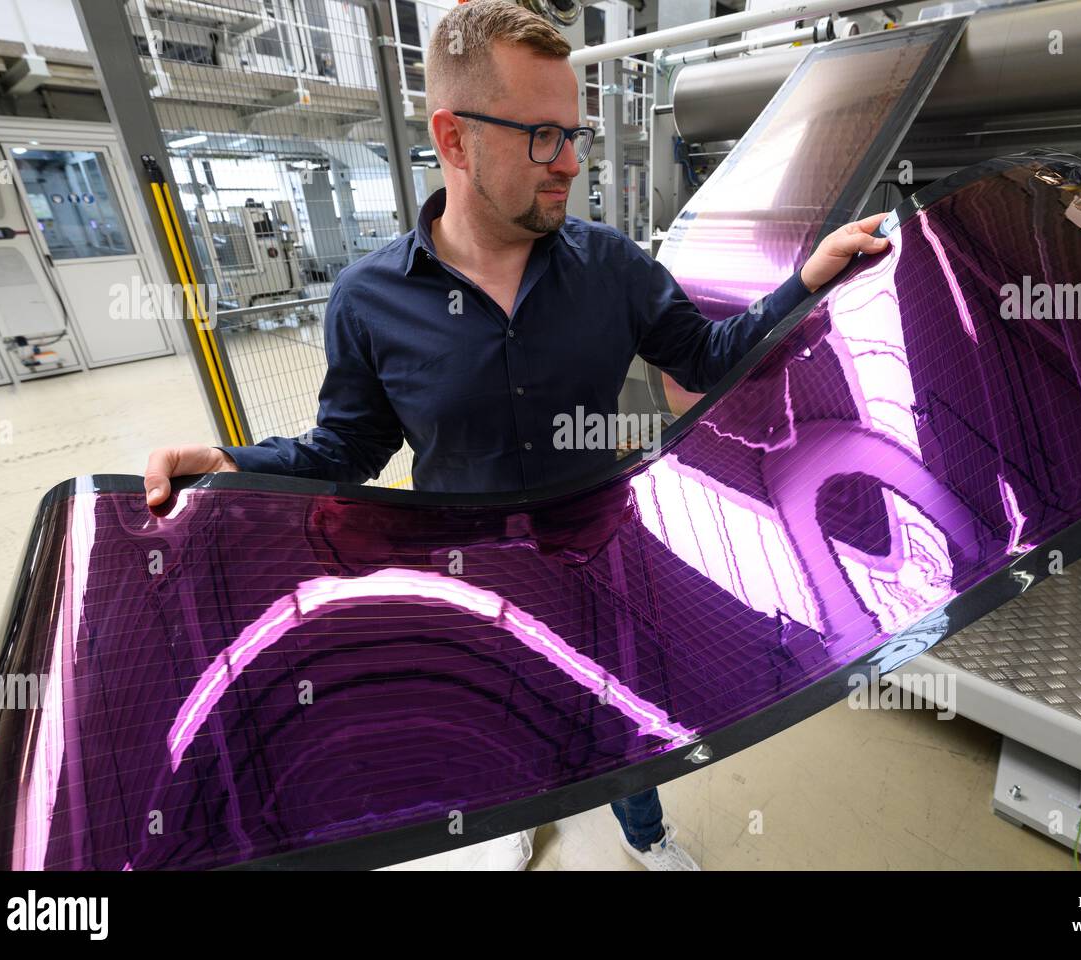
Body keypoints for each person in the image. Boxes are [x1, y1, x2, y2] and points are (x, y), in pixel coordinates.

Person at [144, 0, 890, 871]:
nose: (571, 163)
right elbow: (343, 453)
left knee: (618, 702)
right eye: (543, 137)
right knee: (493, 706)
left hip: (597, 548)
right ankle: (502, 819)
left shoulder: (612, 268)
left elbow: (706, 357)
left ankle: (643, 833)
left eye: (573, 134)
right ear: (455, 139)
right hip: (465, 567)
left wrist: (805, 280)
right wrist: (231, 463)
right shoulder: (368, 300)